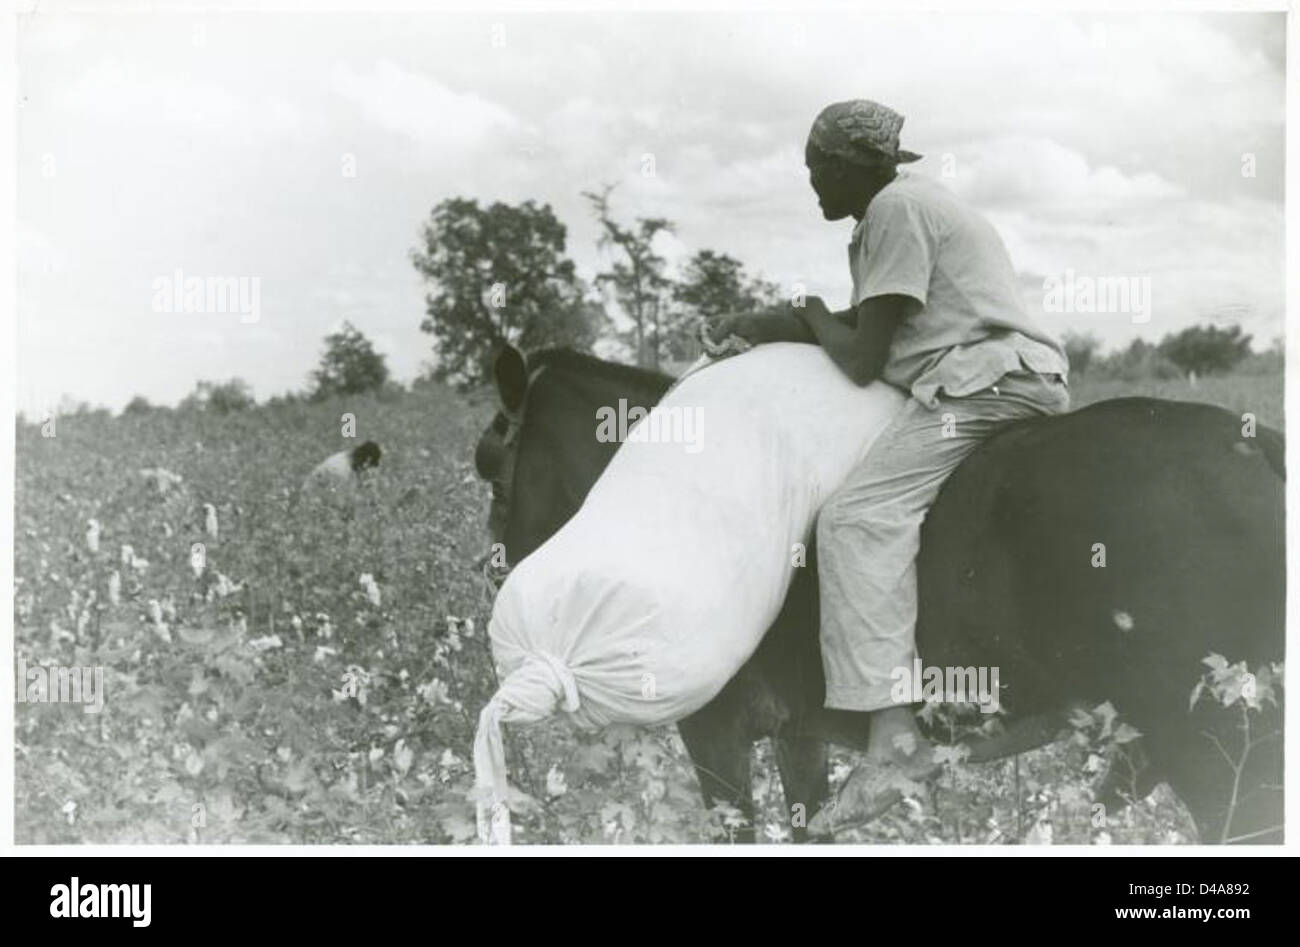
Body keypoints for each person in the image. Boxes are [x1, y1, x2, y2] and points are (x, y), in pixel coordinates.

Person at [708, 99, 1070, 835]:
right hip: (999, 374)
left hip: (982, 383)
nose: (812, 185)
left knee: (855, 517)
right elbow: (863, 328)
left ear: (847, 166)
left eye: (817, 170)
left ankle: (894, 740)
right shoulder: (908, 207)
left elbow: (863, 360)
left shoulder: (896, 211)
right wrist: (773, 323)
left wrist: (808, 315)